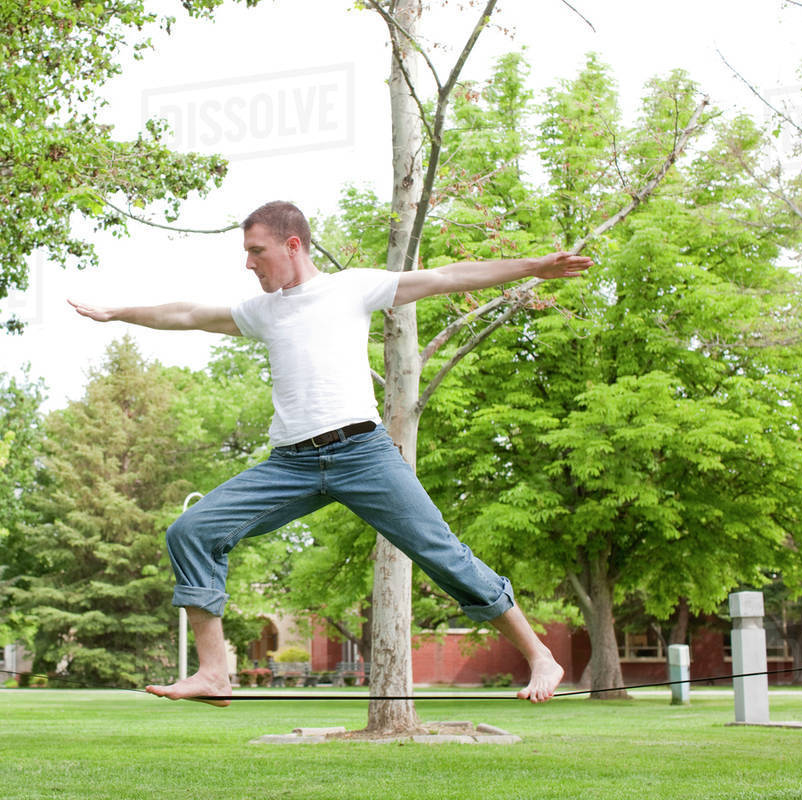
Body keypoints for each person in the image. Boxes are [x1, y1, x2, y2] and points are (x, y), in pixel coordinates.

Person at [69, 200, 592, 705]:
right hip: (290, 465)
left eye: (256, 251)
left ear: (292, 244)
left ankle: (540, 656)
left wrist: (534, 268)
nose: (248, 264)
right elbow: (185, 313)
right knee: (191, 532)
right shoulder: (262, 312)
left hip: (363, 454)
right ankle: (213, 673)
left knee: (443, 554)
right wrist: (120, 313)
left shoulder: (352, 288)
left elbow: (448, 276)